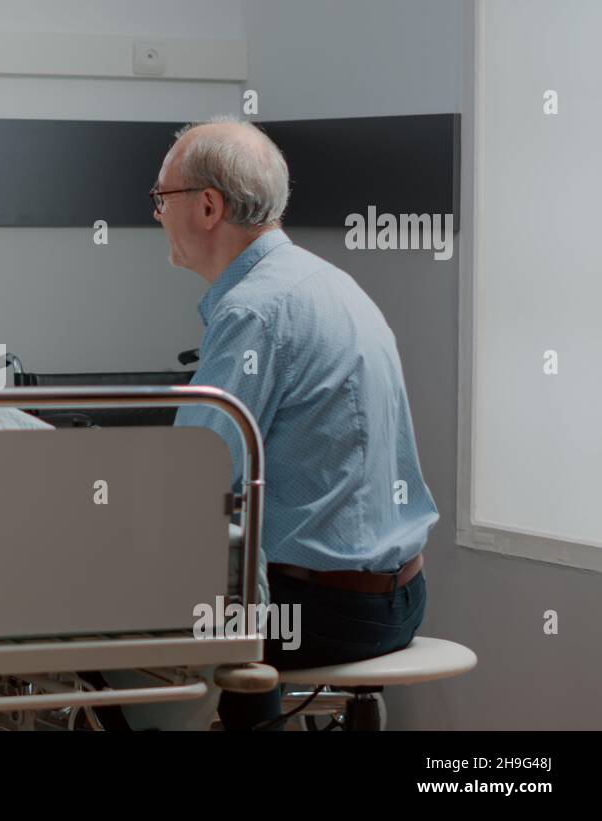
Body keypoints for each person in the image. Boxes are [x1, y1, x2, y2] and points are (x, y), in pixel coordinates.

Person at [153, 116, 437, 730]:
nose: (157, 215)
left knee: (101, 620)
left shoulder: (253, 309)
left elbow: (192, 479)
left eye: (161, 198)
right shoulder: (331, 283)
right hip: (401, 599)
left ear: (207, 206)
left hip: (321, 612)